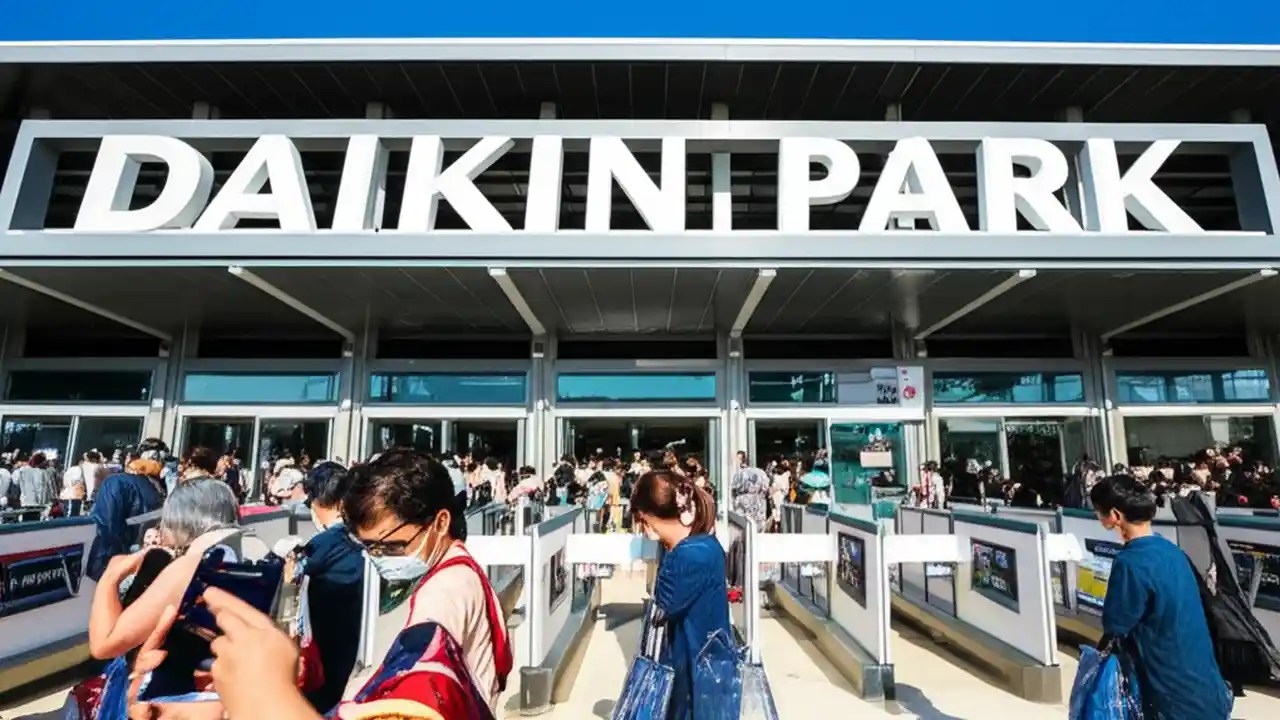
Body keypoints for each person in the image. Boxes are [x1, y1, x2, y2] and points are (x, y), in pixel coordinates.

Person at [340, 450, 512, 716]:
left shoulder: (442, 592)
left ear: (440, 522)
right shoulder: (459, 566)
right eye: (369, 547)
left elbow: (417, 698)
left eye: (393, 546)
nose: (379, 557)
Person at [1090, 475, 1233, 720]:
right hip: (1205, 686)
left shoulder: (1131, 562)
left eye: (1097, 512)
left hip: (1167, 693)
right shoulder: (1172, 551)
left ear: (1115, 516)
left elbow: (1116, 624)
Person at [630, 469, 732, 720]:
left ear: (646, 518)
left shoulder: (685, 555)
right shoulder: (706, 544)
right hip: (709, 671)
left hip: (691, 679)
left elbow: (665, 601)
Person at [296, 461, 366, 713]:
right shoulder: (364, 537)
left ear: (316, 500)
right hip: (358, 652)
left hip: (328, 657)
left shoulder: (323, 545)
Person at [86, 439, 169, 581]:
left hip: (123, 563)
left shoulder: (117, 482)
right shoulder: (166, 487)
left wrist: (102, 570)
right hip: (157, 566)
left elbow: (105, 526)